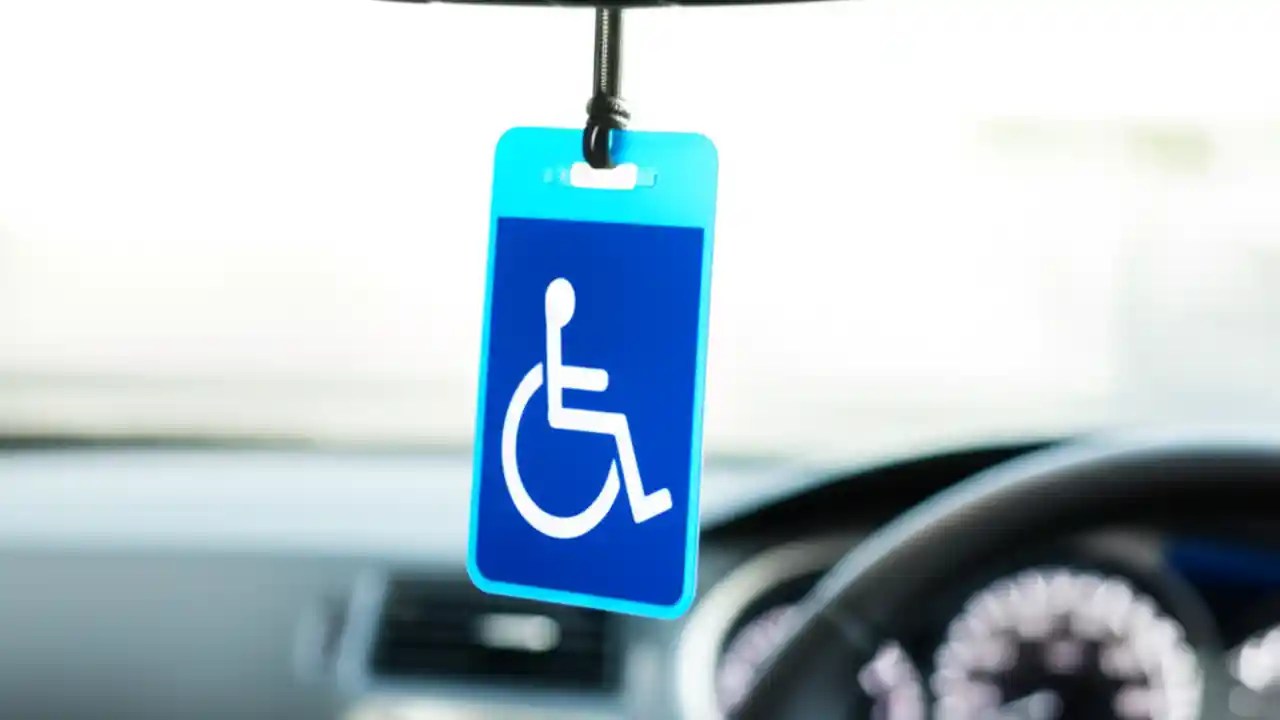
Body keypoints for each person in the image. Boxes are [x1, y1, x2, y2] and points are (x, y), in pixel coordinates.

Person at [544, 278, 672, 523]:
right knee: (618, 425)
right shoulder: (553, 335)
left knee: (618, 424)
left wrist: (598, 379)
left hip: (562, 406)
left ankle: (640, 501)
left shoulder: (554, 333)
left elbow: (564, 376)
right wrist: (598, 379)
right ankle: (639, 503)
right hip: (559, 412)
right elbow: (558, 382)